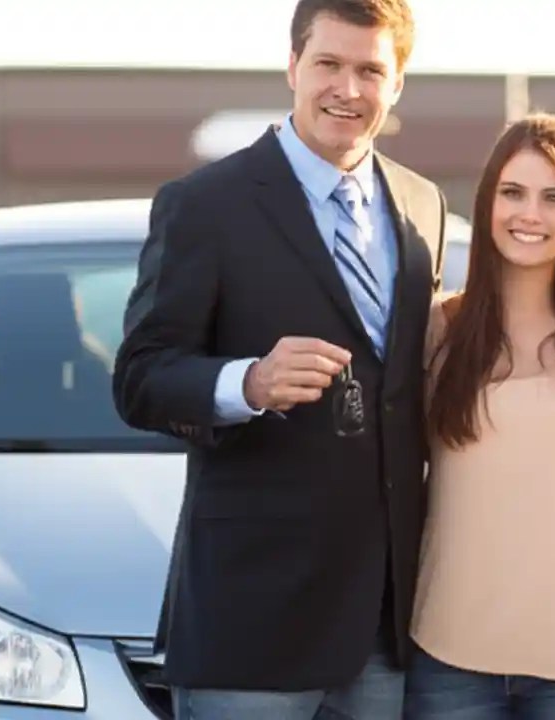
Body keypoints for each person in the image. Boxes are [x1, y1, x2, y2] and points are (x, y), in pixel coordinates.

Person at [111, 0, 448, 717]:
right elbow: (141, 377)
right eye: (328, 64)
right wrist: (250, 382)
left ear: (398, 84)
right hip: (251, 617)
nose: (347, 90)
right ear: (293, 65)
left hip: (384, 625)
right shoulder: (205, 206)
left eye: (370, 71)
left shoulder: (425, 206)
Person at [405, 113, 555, 719]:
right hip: (449, 659)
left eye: (553, 197)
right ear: (487, 204)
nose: (529, 214)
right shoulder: (438, 328)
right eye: (513, 192)